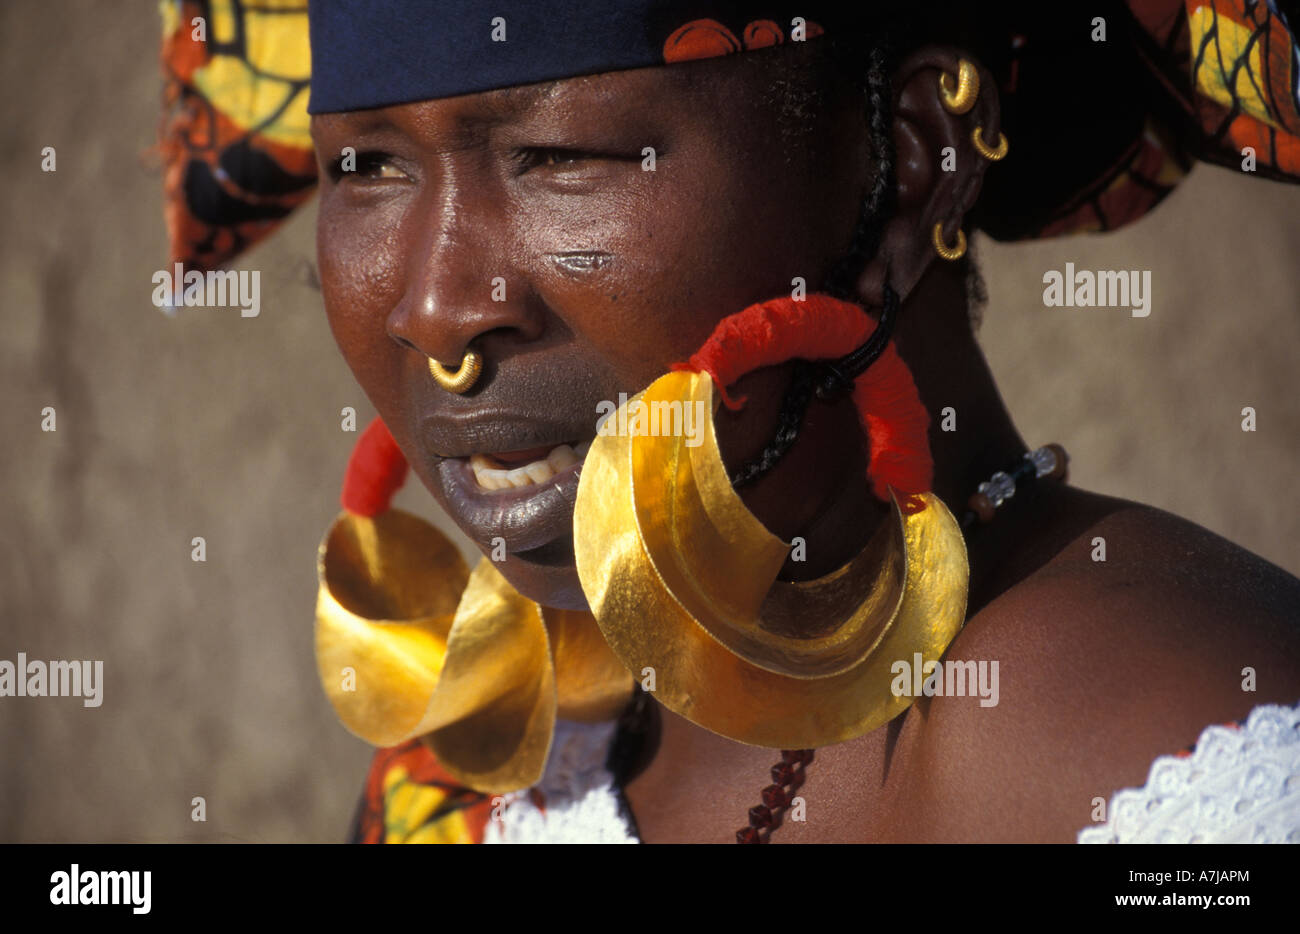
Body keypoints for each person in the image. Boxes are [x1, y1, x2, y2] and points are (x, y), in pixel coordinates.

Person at [160, 0, 1300, 843]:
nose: (437, 313)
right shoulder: (477, 775)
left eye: (559, 157)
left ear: (909, 166)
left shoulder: (1177, 750)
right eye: (366, 168)